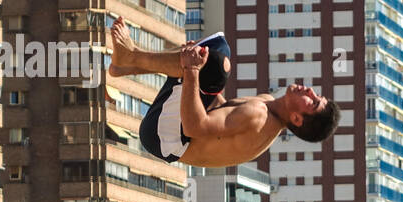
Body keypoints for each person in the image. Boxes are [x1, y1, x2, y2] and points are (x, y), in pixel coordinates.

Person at [110, 18, 340, 167]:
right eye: (316, 94)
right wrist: (197, 68)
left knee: (217, 64)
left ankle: (131, 57)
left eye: (312, 101)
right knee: (216, 48)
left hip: (166, 137)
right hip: (170, 134)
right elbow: (218, 105)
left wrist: (192, 70)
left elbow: (196, 127)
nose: (309, 91)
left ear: (297, 118)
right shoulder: (267, 104)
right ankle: (127, 64)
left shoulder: (259, 117)